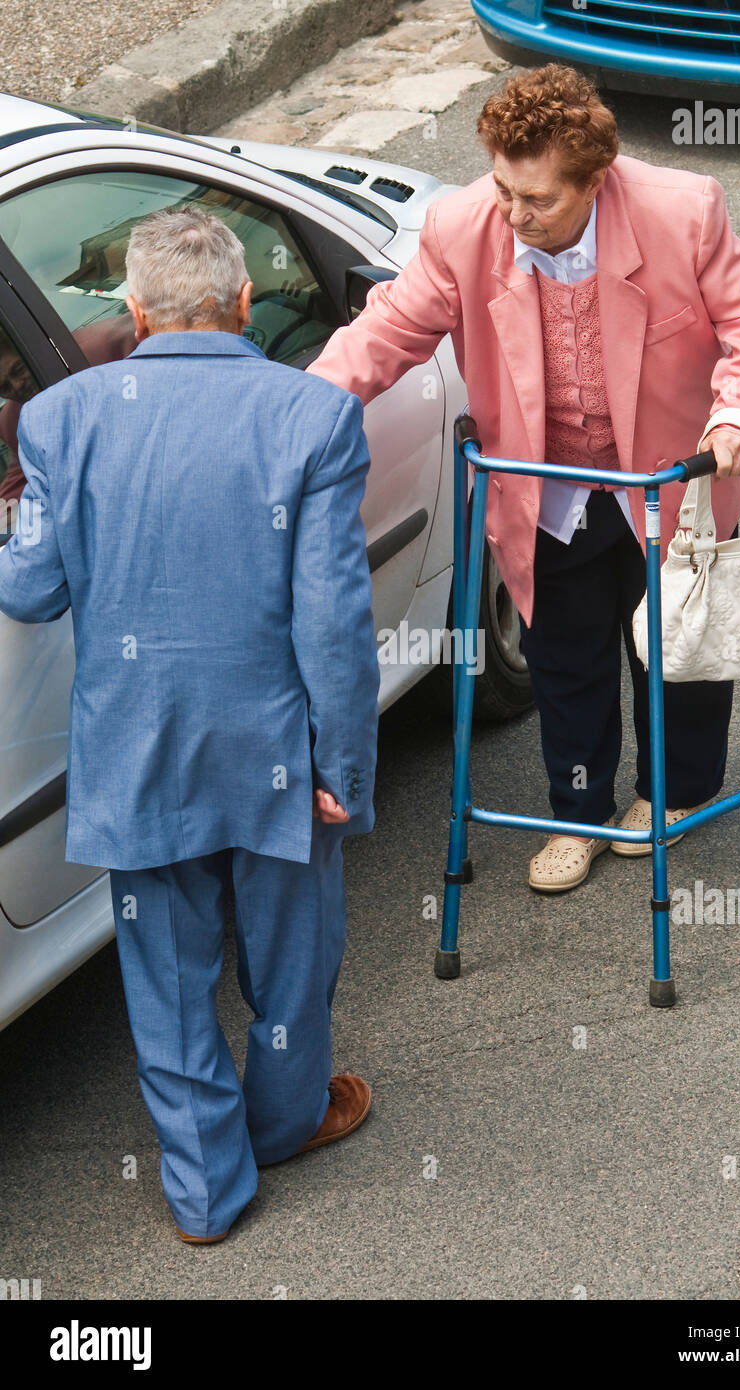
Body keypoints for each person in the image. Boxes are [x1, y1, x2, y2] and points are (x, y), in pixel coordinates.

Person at [308, 63, 740, 893]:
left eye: (537, 201)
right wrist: (296, 410)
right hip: (546, 485)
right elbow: (389, 326)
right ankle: (579, 813)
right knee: (561, 656)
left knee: (676, 651)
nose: (513, 214)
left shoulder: (682, 211)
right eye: (503, 189)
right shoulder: (465, 226)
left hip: (668, 481)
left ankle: (670, 796)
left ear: (594, 182)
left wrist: (738, 414)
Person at [0, 206, 380, 1242]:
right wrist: (342, 762)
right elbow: (335, 624)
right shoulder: (311, 416)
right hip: (273, 752)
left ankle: (205, 1193)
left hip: (136, 752)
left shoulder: (62, 421)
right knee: (293, 957)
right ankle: (285, 1121)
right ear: (245, 301)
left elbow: (29, 591)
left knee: (164, 976)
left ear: (131, 311)